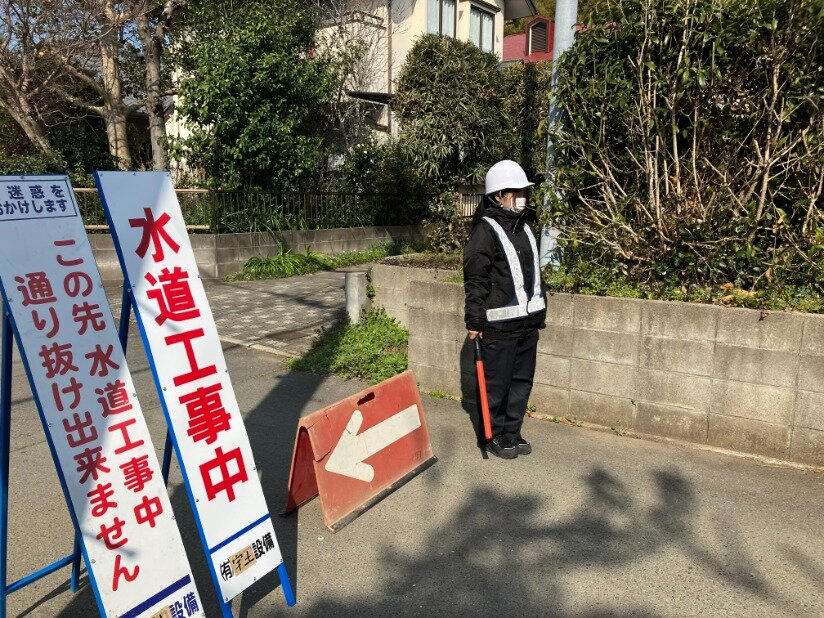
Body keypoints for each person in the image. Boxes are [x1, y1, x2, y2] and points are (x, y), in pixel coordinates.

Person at [463, 160, 547, 459]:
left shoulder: (526, 227)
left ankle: (512, 431)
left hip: (528, 325)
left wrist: (540, 314)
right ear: (498, 195)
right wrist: (474, 321)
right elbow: (476, 279)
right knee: (496, 385)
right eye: (516, 191)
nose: (522, 196)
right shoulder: (485, 230)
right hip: (498, 327)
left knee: (521, 383)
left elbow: (535, 276)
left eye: (524, 191)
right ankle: (493, 435)